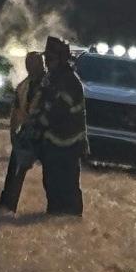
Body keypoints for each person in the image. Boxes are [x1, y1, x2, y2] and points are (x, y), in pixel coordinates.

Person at [38, 36, 88, 216]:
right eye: (46, 59)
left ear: (60, 59)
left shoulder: (68, 81)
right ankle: (54, 216)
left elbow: (56, 111)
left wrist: (39, 123)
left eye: (49, 59)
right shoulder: (53, 77)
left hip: (69, 142)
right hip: (54, 141)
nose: (46, 62)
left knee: (68, 185)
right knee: (51, 182)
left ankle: (71, 219)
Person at [0, 51, 45, 212]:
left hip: (47, 134)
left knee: (51, 175)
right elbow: (16, 111)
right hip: (26, 133)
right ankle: (7, 206)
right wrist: (13, 133)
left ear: (42, 64)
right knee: (15, 171)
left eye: (34, 63)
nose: (30, 67)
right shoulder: (23, 86)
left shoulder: (50, 84)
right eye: (28, 63)